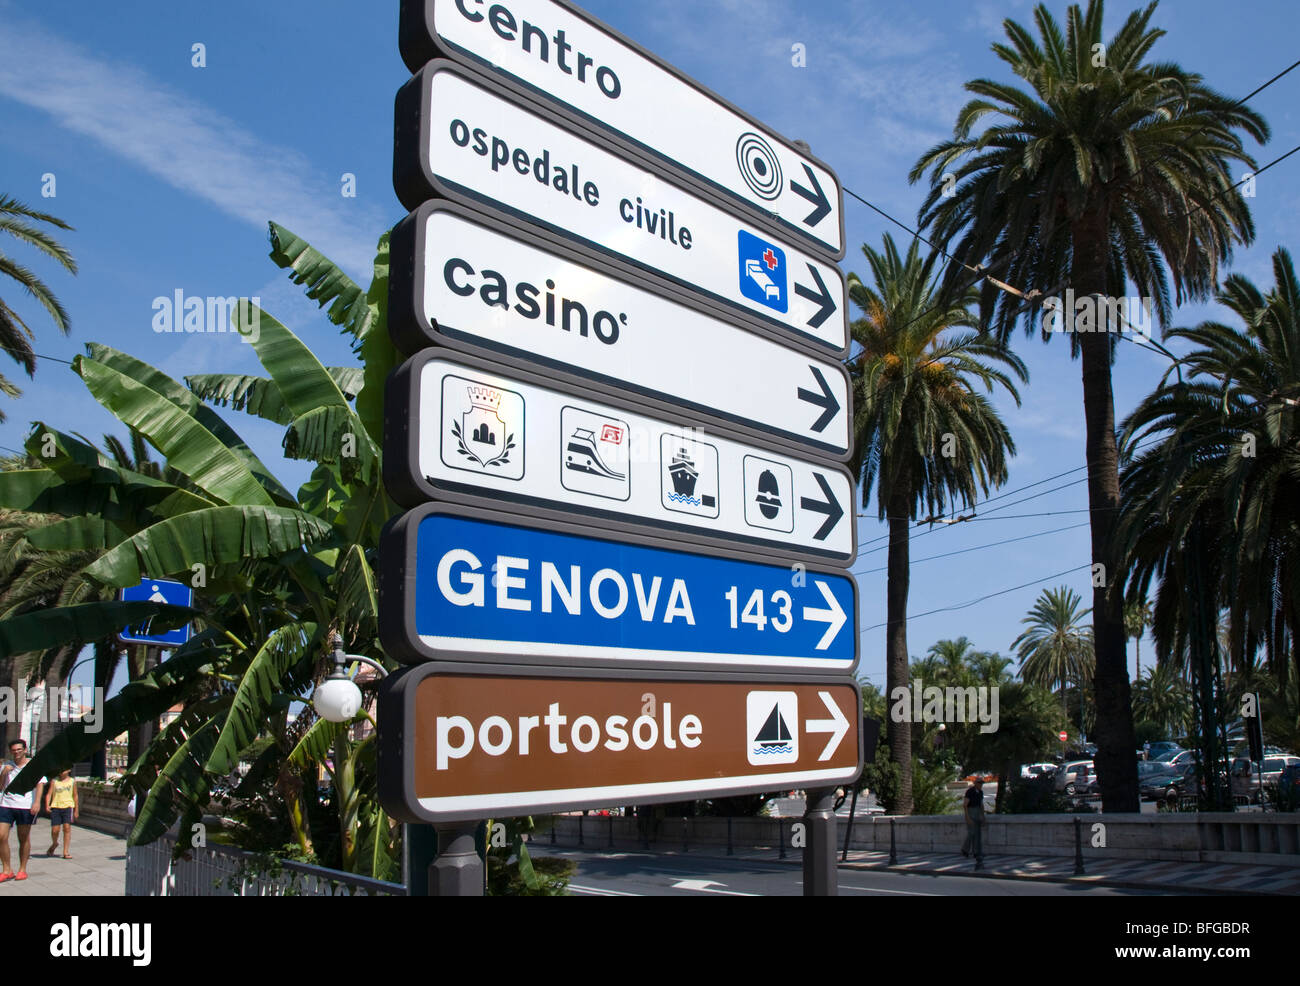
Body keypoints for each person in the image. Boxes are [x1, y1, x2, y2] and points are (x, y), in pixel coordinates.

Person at [0, 739, 46, 882]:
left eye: (19, 749)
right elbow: (0, 787)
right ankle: (7, 869)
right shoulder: (7, 766)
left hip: (25, 805)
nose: (16, 752)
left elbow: (40, 784)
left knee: (23, 838)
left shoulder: (33, 766)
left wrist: (37, 802)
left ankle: (22, 869)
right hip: (6, 804)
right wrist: (4, 773)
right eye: (14, 750)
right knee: (1, 836)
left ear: (25, 750)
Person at [44, 769, 78, 859]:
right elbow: (49, 794)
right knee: (55, 830)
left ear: (69, 770)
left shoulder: (72, 781)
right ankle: (55, 843)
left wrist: (76, 810)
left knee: (67, 828)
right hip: (56, 806)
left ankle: (65, 851)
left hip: (68, 806)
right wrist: (47, 804)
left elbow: (75, 795)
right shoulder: (55, 781)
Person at [960, 777, 985, 867]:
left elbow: (981, 805)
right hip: (971, 812)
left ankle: (976, 852)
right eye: (979, 783)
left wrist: (982, 816)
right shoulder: (970, 792)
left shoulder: (981, 793)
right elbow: (965, 804)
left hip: (977, 812)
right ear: (976, 784)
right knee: (971, 832)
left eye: (982, 783)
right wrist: (967, 817)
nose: (981, 785)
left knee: (978, 833)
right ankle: (965, 849)